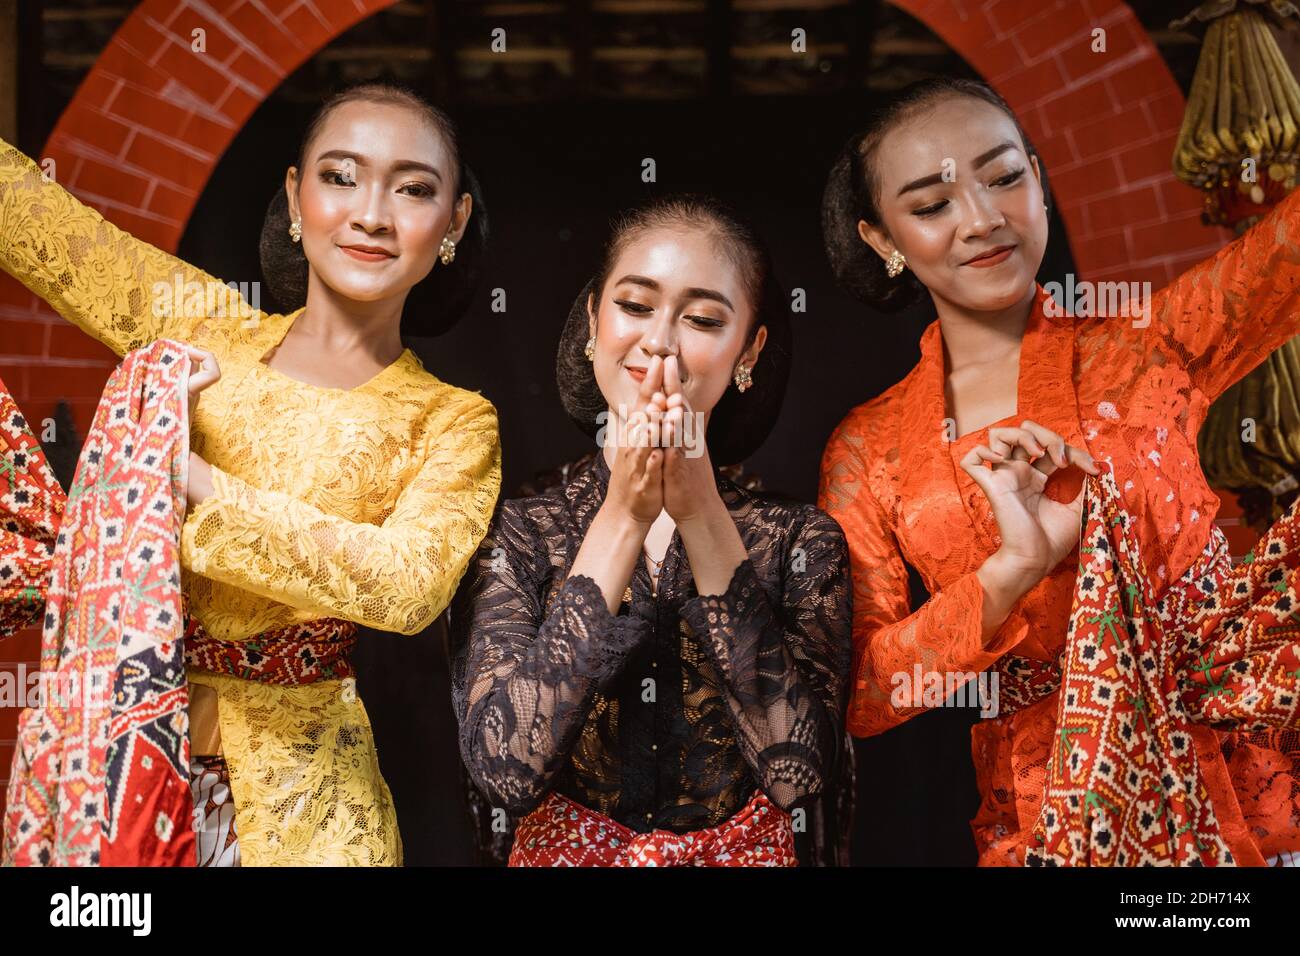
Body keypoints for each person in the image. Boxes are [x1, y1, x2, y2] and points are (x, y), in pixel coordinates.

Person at [0, 81, 501, 865]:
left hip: (311, 814)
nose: (371, 213)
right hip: (118, 769)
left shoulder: (452, 419)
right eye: (340, 177)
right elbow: (37, 224)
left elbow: (406, 586)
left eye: (412, 189)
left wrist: (189, 474)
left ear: (453, 224)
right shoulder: (199, 324)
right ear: (295, 200)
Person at [819, 76, 1300, 866]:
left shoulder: (1154, 342)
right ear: (883, 240)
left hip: (1241, 776)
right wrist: (1008, 573)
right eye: (932, 205)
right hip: (1051, 816)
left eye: (1004, 176)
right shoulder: (870, 445)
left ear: (1039, 179)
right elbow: (866, 692)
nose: (982, 219)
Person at [450, 195, 852, 866]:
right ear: (592, 321)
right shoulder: (514, 535)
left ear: (749, 349)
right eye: (635, 307)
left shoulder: (799, 540)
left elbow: (797, 775)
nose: (660, 340)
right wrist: (626, 513)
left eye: (700, 319)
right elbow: (505, 770)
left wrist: (699, 512)